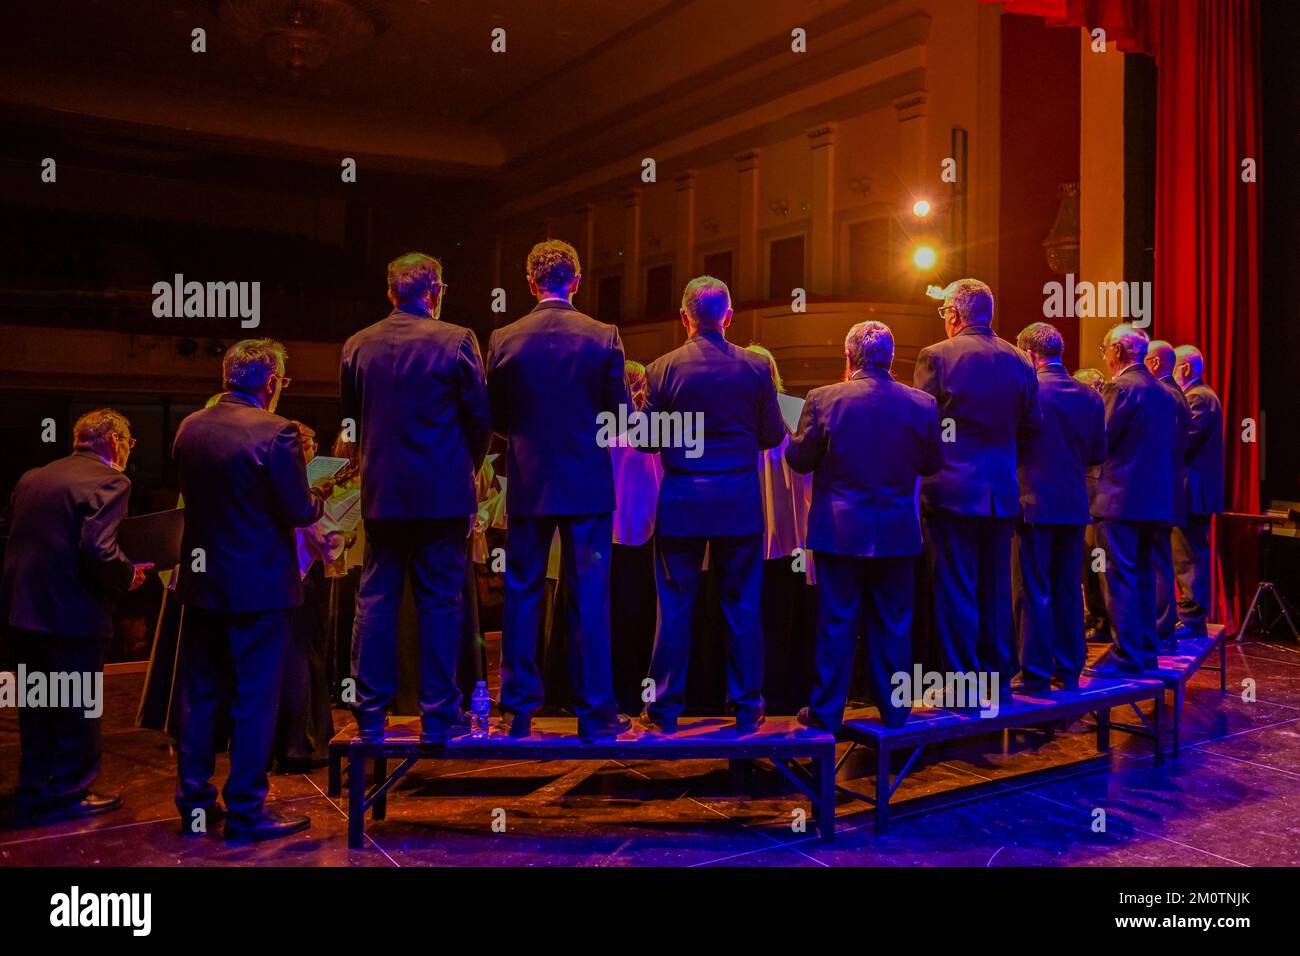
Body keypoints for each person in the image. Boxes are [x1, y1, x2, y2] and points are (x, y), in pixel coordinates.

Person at [172, 338, 327, 844]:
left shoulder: (189, 427)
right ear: (271, 382)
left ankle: (194, 805)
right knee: (255, 699)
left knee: (199, 696)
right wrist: (317, 499)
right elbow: (298, 511)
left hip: (201, 585)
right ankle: (245, 810)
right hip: (259, 589)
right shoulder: (275, 431)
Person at [341, 252, 491, 743]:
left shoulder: (357, 345)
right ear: (436, 291)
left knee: (376, 600)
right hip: (444, 493)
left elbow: (352, 423)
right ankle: (438, 715)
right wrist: (466, 471)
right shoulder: (457, 340)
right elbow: (479, 420)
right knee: (441, 604)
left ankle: (369, 714)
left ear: (391, 292)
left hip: (383, 492)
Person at [486, 239, 631, 740]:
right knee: (589, 599)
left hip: (528, 482)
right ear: (577, 280)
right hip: (587, 486)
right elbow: (619, 420)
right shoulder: (602, 335)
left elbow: (496, 418)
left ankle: (519, 712)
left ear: (531, 284)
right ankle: (595, 716)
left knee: (522, 595)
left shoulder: (505, 337)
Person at [638, 276, 785, 734]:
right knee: (742, 607)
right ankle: (746, 707)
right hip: (738, 502)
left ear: (684, 318)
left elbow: (644, 440)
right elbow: (773, 435)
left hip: (682, 500)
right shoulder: (757, 368)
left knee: (675, 609)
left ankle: (663, 710)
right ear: (728, 315)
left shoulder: (661, 368)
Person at [787, 321, 941, 730]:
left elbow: (799, 460)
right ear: (890, 358)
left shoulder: (824, 399)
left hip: (840, 531)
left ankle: (826, 713)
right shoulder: (922, 403)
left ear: (848, 357)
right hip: (897, 530)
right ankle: (894, 710)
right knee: (893, 623)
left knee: (836, 622)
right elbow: (932, 463)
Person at [1, 409, 148, 824]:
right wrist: (127, 575)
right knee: (77, 707)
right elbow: (99, 549)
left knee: (37, 706)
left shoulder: (33, 477)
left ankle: (33, 787)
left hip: (22, 611)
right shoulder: (112, 480)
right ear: (115, 442)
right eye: (129, 442)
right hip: (72, 612)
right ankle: (68, 792)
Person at [913, 279, 1038, 703]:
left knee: (955, 590)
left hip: (950, 492)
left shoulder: (937, 356)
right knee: (996, 588)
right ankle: (998, 677)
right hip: (1001, 491)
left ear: (953, 314)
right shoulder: (1020, 359)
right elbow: (1032, 424)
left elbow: (922, 426)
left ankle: (964, 685)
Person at [1011, 323, 1106, 692]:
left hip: (1032, 503)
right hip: (1074, 504)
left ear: (1030, 355)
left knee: (1032, 589)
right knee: (1068, 587)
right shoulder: (1090, 396)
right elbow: (1098, 454)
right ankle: (1069, 669)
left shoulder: (1028, 392)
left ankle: (1034, 673)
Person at [1084, 324, 1183, 676]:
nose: (1105, 355)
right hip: (1154, 501)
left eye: (1105, 349)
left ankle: (1126, 653)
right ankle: (1143, 648)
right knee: (1143, 574)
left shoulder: (1119, 388)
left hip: (1118, 499)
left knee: (1119, 575)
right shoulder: (1164, 393)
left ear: (1118, 352)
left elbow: (1101, 440)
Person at [746, 343, 815, 715]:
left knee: (754, 618)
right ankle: (783, 694)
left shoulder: (747, 413)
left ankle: (753, 695)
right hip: (792, 537)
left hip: (754, 533)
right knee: (784, 618)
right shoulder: (796, 409)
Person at [273, 421, 344, 772]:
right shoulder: (301, 483)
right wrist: (341, 541)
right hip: (302, 577)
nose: (315, 446)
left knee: (280, 661)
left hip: (272, 578)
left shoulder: (267, 477)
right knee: (306, 660)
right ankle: (305, 743)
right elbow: (325, 534)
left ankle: (281, 743)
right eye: (310, 441)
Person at [609, 360, 663, 714]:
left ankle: (614, 694)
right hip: (648, 532)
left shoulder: (606, 431)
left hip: (609, 536)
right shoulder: (655, 432)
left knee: (613, 619)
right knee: (643, 619)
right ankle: (641, 695)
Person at [1172, 345, 1225, 638]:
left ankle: (1192, 617)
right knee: (1187, 552)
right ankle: (1191, 615)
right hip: (1193, 490)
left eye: (1174, 367)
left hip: (1194, 491)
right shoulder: (1200, 396)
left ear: (1187, 369)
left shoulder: (1198, 398)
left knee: (1189, 554)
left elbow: (1185, 441)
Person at [1145, 339, 1191, 653]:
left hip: (1158, 490)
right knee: (1158, 560)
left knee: (1159, 562)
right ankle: (1160, 627)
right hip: (1164, 490)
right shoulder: (1174, 395)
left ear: (1157, 363)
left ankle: (1161, 629)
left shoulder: (1166, 396)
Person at [1073, 368, 1110, 641]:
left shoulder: (1103, 413)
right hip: (1083, 496)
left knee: (1099, 563)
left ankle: (1102, 620)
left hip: (1101, 496)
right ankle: (1093, 617)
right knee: (1088, 564)